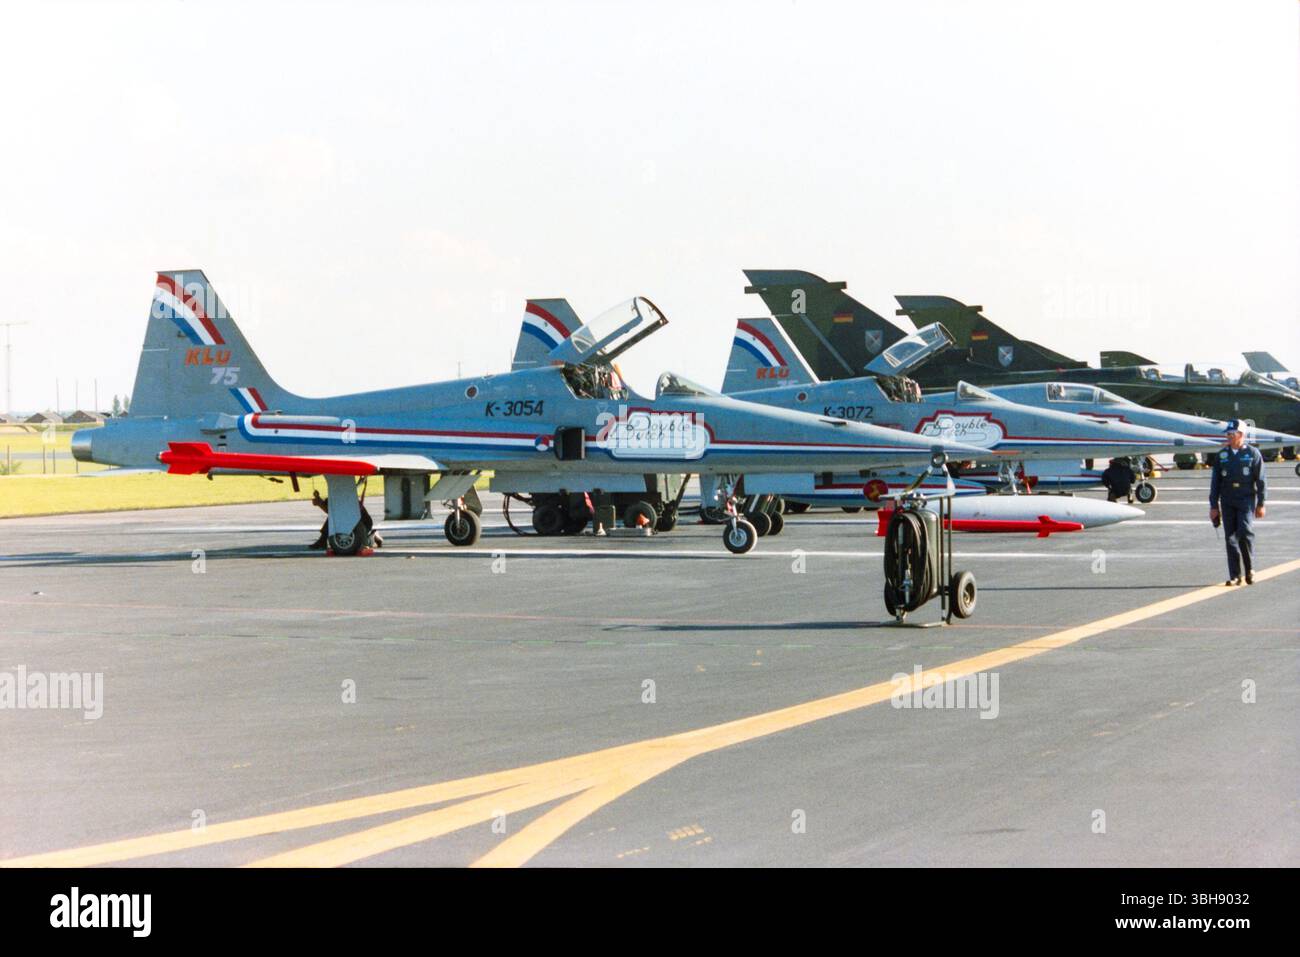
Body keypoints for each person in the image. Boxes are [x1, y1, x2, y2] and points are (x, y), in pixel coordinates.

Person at [1209, 420, 1266, 586]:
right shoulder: (1222, 456)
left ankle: (1250, 570)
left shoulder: (1253, 453)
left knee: (1245, 531)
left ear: (1241, 435)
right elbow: (1215, 482)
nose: (1228, 437)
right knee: (1230, 537)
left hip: (1246, 498)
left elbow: (1261, 480)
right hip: (1227, 499)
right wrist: (1214, 506)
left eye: (1231, 434)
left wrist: (1261, 503)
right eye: (1227, 434)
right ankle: (1235, 575)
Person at [309, 487, 382, 550]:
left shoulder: (340, 498)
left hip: (361, 524)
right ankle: (322, 539)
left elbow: (330, 511)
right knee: (336, 515)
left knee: (335, 516)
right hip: (363, 522)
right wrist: (319, 502)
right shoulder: (345, 496)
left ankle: (322, 540)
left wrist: (319, 503)